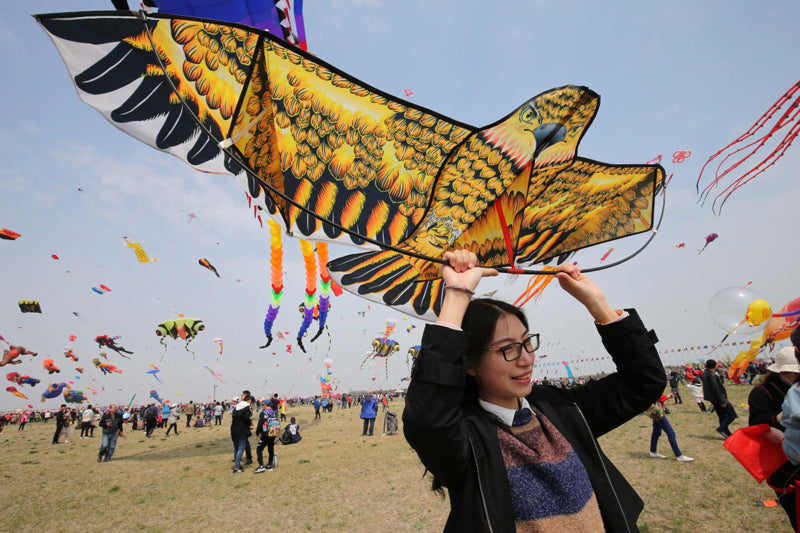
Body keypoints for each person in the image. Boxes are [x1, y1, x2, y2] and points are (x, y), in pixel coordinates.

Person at [403, 250, 665, 531]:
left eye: (527, 343)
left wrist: (598, 304)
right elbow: (426, 419)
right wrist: (457, 295)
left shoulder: (561, 411)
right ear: (469, 363)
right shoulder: (467, 441)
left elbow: (644, 381)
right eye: (508, 349)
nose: (526, 358)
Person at [647, 393, 694, 462]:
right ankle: (679, 455)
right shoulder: (652, 384)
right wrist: (667, 397)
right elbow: (659, 396)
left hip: (654, 411)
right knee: (670, 433)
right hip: (658, 411)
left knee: (656, 432)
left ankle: (653, 452)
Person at [701, 359, 737, 438]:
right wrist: (722, 401)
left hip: (713, 399)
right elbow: (716, 389)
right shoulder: (712, 374)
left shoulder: (705, 373)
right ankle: (721, 428)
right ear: (714, 365)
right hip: (719, 399)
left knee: (722, 416)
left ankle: (727, 433)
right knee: (732, 414)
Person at [231, 395, 254, 473]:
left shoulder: (236, 407)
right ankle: (236, 467)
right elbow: (247, 418)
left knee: (236, 448)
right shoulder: (247, 407)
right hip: (242, 429)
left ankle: (237, 464)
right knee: (241, 448)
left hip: (234, 429)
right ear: (250, 401)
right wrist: (250, 423)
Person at [254, 406, 278, 473]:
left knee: (259, 449)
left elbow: (259, 425)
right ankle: (269, 465)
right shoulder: (273, 412)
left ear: (265, 405)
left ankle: (261, 465)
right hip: (273, 432)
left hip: (265, 434)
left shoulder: (263, 413)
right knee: (271, 449)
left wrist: (257, 433)